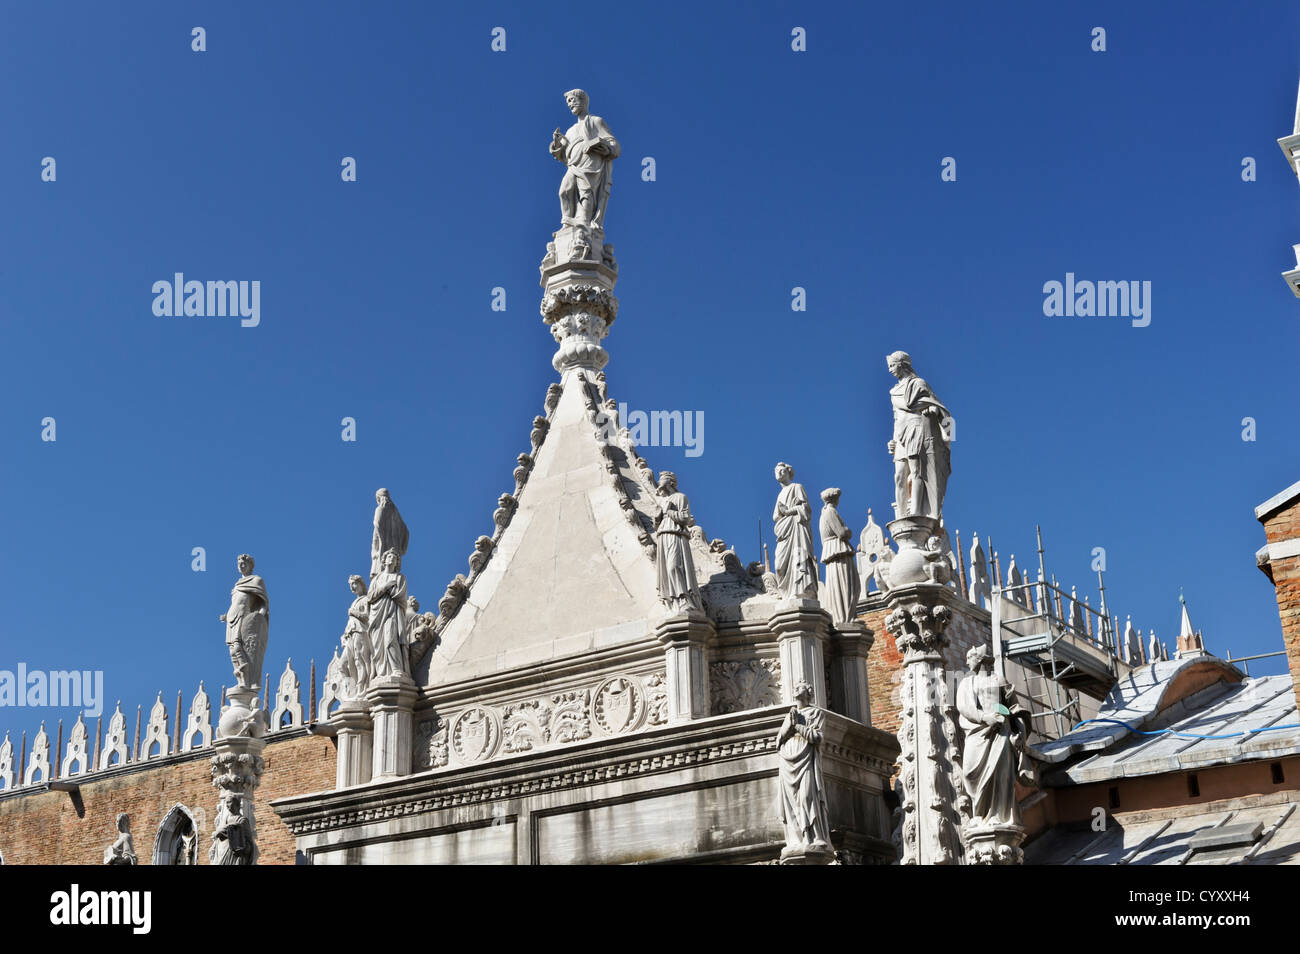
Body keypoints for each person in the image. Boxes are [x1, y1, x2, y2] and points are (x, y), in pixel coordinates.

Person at [955, 644, 1034, 827]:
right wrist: (985, 717)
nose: (967, 661)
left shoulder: (998, 680)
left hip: (1001, 734)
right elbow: (963, 707)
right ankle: (980, 813)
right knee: (968, 772)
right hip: (978, 732)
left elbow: (1015, 708)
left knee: (1000, 774)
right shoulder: (967, 682)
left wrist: (1021, 733)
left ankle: (998, 814)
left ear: (980, 659)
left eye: (970, 657)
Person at [886, 351, 951, 520]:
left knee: (916, 472)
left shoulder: (919, 384)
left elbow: (945, 415)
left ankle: (915, 512)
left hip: (916, 428)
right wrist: (893, 440)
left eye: (892, 365)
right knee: (899, 476)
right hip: (900, 434)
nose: (890, 370)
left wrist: (933, 412)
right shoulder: (893, 392)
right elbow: (896, 417)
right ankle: (901, 516)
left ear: (903, 364)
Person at [550, 89, 620, 230]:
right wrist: (557, 143)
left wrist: (606, 149)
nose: (570, 104)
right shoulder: (570, 130)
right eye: (568, 102)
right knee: (564, 191)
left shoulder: (595, 121)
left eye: (572, 100)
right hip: (574, 165)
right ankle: (568, 222)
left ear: (582, 100)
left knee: (586, 192)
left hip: (590, 162)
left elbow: (614, 145)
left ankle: (583, 222)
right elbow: (562, 155)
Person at [777, 682, 832, 854]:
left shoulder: (817, 713)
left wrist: (798, 726)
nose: (795, 688)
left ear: (809, 693)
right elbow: (778, 741)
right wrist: (789, 726)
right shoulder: (790, 715)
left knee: (808, 797)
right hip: (787, 763)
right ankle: (796, 840)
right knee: (791, 803)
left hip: (807, 760)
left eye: (800, 687)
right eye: (794, 687)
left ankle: (815, 837)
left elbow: (817, 737)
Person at [653, 472, 702, 614]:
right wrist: (658, 516)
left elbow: (685, 518)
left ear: (670, 482)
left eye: (661, 479)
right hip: (663, 535)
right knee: (665, 572)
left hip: (676, 534)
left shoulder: (680, 497)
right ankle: (673, 601)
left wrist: (669, 511)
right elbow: (656, 525)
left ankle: (684, 599)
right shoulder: (662, 500)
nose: (658, 482)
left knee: (673, 567)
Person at [220, 554, 269, 690]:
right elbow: (235, 603)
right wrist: (226, 615)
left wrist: (259, 618)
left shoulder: (256, 581)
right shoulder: (236, 586)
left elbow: (263, 603)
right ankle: (241, 680)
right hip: (232, 618)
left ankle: (247, 680)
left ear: (250, 566)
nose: (241, 566)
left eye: (244, 563)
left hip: (244, 617)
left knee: (238, 647)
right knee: (232, 651)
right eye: (239, 564)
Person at [772, 463, 817, 600]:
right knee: (779, 566)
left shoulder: (797, 487)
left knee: (799, 557)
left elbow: (806, 510)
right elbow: (775, 516)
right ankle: (786, 593)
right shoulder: (780, 495)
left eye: (782, 470)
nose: (779, 473)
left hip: (797, 528)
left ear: (788, 472)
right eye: (777, 471)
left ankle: (801, 591)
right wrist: (781, 512)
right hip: (784, 530)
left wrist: (789, 511)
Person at [818, 488, 861, 626]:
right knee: (846, 584)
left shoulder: (825, 513)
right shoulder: (830, 512)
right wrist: (848, 531)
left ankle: (846, 615)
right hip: (838, 551)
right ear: (835, 499)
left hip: (836, 552)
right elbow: (842, 533)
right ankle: (845, 617)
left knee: (849, 585)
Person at [368, 549, 409, 679]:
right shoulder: (377, 579)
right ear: (384, 560)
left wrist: (390, 590)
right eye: (390, 556)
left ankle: (396, 669)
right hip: (376, 616)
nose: (392, 559)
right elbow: (370, 597)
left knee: (390, 639)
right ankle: (381, 672)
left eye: (395, 558)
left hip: (392, 613)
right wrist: (385, 587)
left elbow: (400, 596)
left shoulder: (400, 578)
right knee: (377, 645)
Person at [209, 794, 254, 865]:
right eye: (226, 802)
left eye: (229, 802)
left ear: (236, 803)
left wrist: (243, 849)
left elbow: (249, 842)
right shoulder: (223, 820)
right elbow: (216, 837)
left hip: (235, 856)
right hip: (221, 852)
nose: (227, 805)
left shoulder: (242, 820)